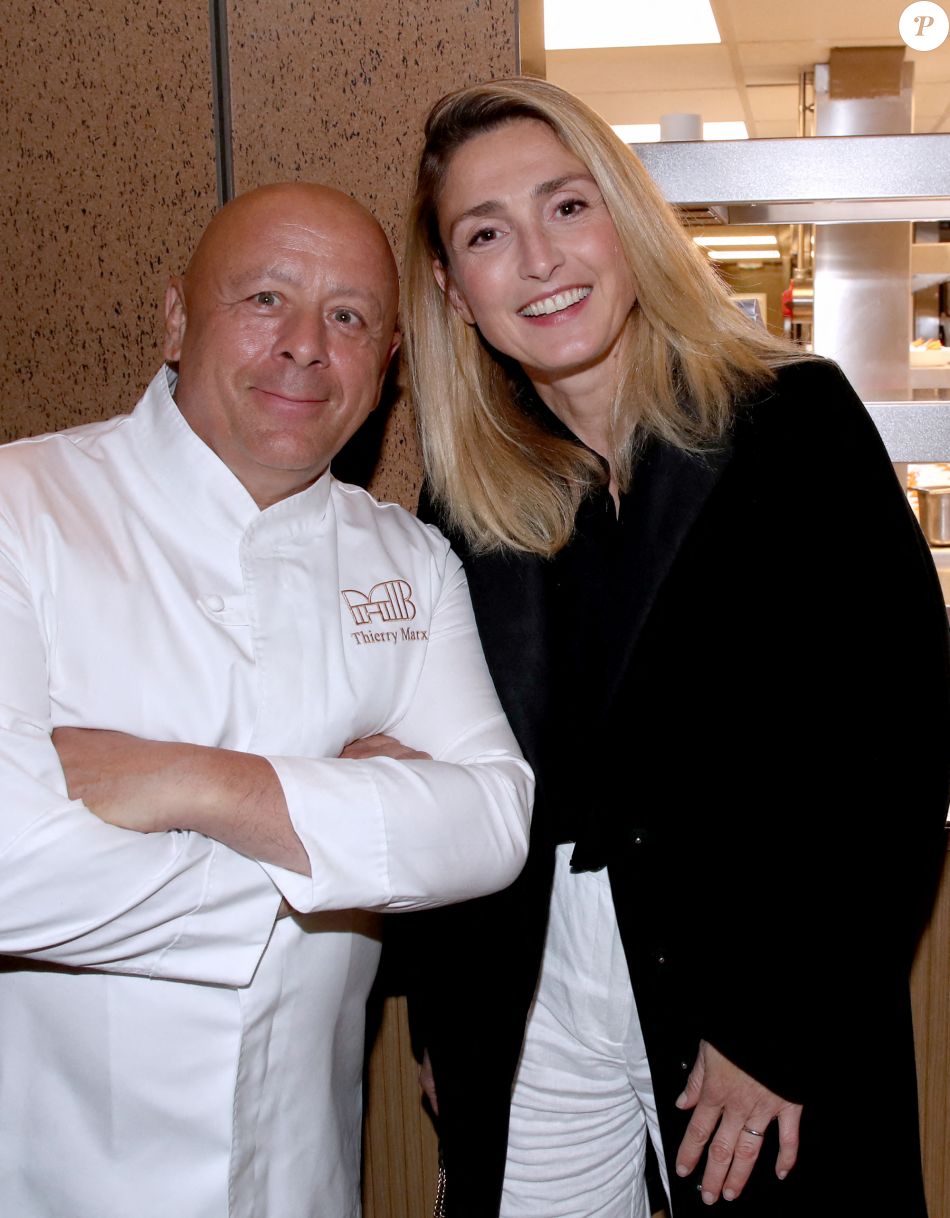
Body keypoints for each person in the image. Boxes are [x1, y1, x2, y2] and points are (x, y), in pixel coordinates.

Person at [397, 77, 950, 1217]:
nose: (539, 260)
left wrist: (779, 1025)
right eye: (486, 235)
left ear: (626, 219)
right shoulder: (462, 499)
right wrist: (444, 1013)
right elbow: (432, 768)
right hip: (531, 995)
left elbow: (899, 749)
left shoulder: (790, 424)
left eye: (565, 207)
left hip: (750, 984)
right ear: (454, 292)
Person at [0, 181, 533, 1218]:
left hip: (303, 1171)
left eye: (347, 317)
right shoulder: (23, 510)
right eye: (264, 300)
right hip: (51, 1169)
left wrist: (195, 785)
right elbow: (10, 868)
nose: (303, 347)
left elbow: (495, 823)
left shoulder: (410, 560)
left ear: (384, 365)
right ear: (175, 319)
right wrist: (341, 846)